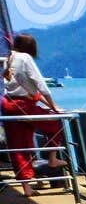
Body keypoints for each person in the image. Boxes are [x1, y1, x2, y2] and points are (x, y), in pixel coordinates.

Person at [3, 34, 66, 188]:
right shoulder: (25, 58)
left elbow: (31, 92)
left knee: (19, 144)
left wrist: (49, 105)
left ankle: (27, 187)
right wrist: (53, 107)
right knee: (55, 123)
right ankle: (52, 158)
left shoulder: (8, 58)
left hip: (9, 104)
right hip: (24, 106)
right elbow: (40, 85)